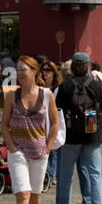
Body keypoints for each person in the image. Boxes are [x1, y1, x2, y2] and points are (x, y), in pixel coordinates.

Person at [2, 55, 60, 204]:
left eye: (23, 70)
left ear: (34, 71)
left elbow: (55, 122)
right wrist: (11, 146)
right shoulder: (12, 95)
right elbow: (4, 124)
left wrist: (49, 146)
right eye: (17, 70)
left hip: (39, 152)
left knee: (35, 195)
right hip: (18, 151)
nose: (19, 73)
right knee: (23, 194)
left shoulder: (46, 94)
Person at [52, 51, 102, 204]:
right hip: (92, 135)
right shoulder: (97, 85)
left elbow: (57, 112)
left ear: (73, 68)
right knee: (95, 173)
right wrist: (101, 129)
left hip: (71, 135)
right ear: (87, 67)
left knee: (66, 173)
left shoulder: (65, 86)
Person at [39, 58, 64, 187]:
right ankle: (46, 174)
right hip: (41, 121)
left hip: (54, 121)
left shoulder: (58, 88)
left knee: (53, 148)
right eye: (43, 70)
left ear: (54, 72)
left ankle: (49, 175)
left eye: (48, 70)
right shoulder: (39, 86)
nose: (45, 73)